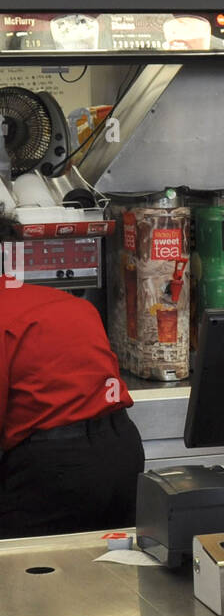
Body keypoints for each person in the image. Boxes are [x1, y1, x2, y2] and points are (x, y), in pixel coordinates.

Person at [0, 212, 145, 537]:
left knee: (21, 575)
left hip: (55, 467)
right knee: (110, 565)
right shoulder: (65, 303)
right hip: (123, 448)